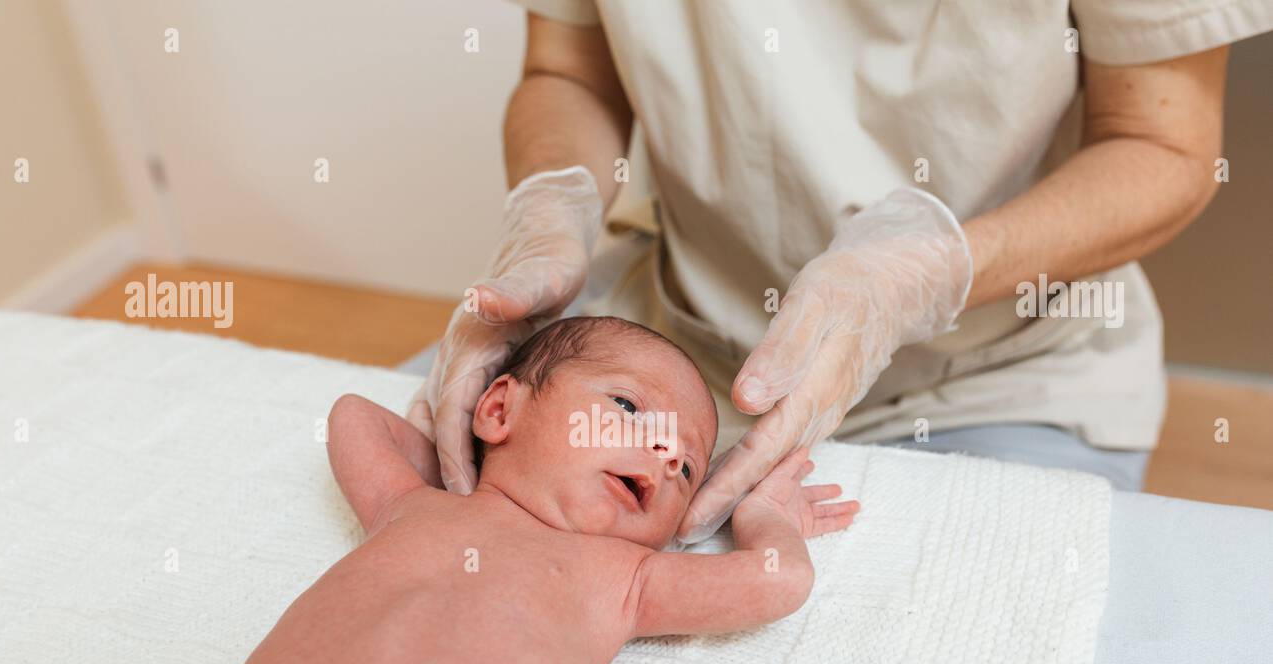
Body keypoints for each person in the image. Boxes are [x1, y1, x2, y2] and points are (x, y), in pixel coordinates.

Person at [0, 317, 855, 664]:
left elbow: (775, 584)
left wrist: (767, 512)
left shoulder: (623, 579)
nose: (666, 454)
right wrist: (463, 418)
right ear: (500, 410)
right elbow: (353, 418)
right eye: (629, 411)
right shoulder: (415, 507)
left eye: (689, 465)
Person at [406, 0, 1272, 543]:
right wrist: (551, 214)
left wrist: (919, 276)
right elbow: (568, 73)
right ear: (500, 406)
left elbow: (1163, 146)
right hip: (684, 348)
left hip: (998, 378)